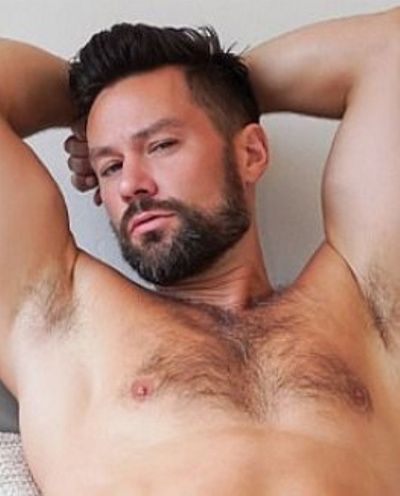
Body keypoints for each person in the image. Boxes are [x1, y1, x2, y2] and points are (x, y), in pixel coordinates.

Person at [1, 6, 400, 494]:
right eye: (109, 165)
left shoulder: (367, 307)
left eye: (161, 145)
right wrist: (87, 100)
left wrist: (224, 88)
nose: (130, 183)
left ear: (251, 153)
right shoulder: (61, 320)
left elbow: (391, 45)